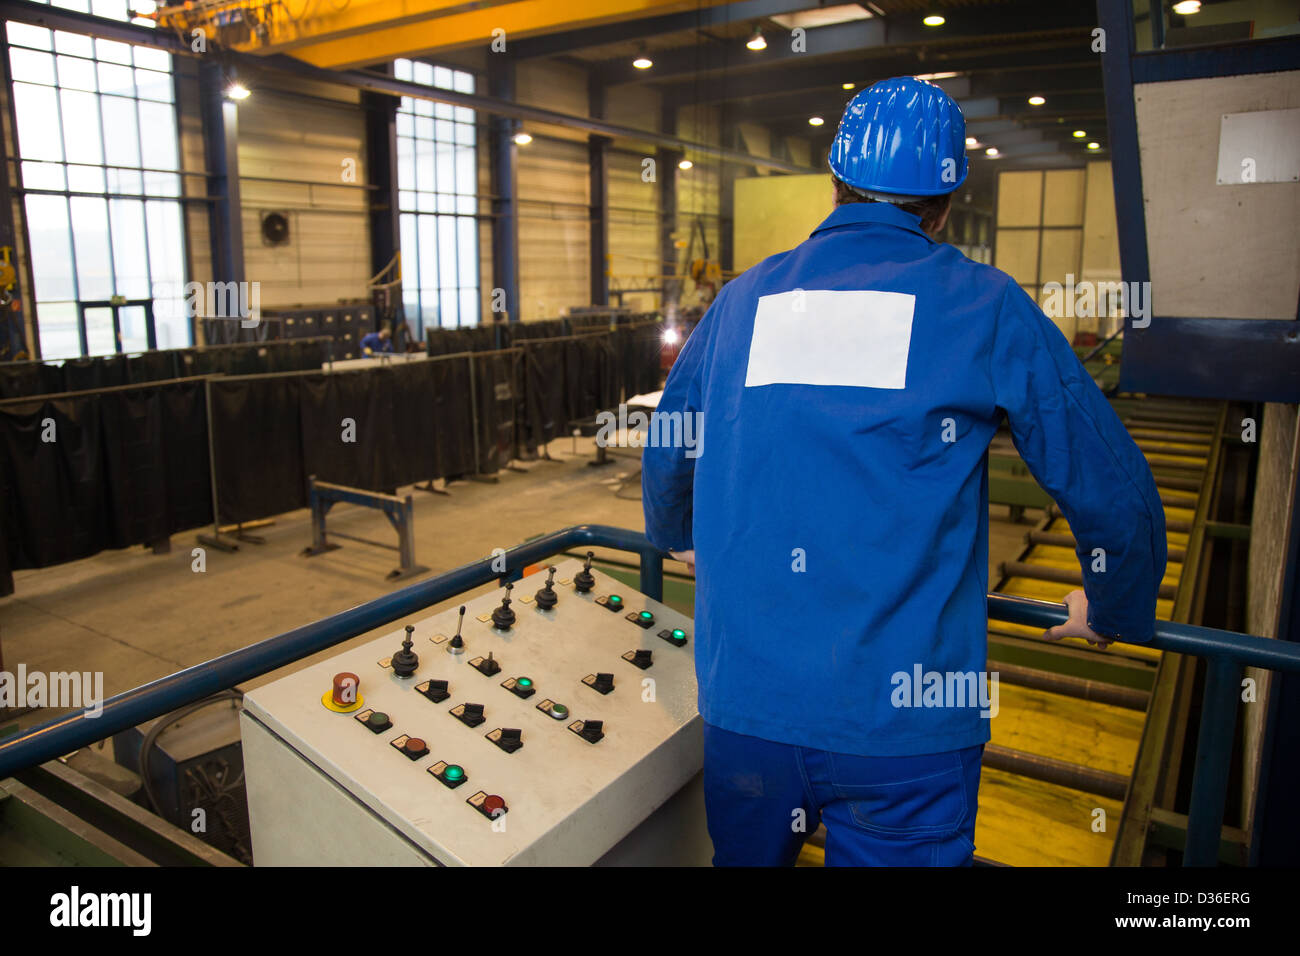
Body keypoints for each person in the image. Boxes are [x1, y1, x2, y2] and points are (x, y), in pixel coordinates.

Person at [641, 76, 1166, 867]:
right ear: (947, 202)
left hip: (747, 712)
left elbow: (670, 439)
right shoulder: (983, 305)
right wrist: (1116, 601)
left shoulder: (744, 300)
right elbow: (1109, 485)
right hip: (905, 730)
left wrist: (676, 533)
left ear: (834, 182)